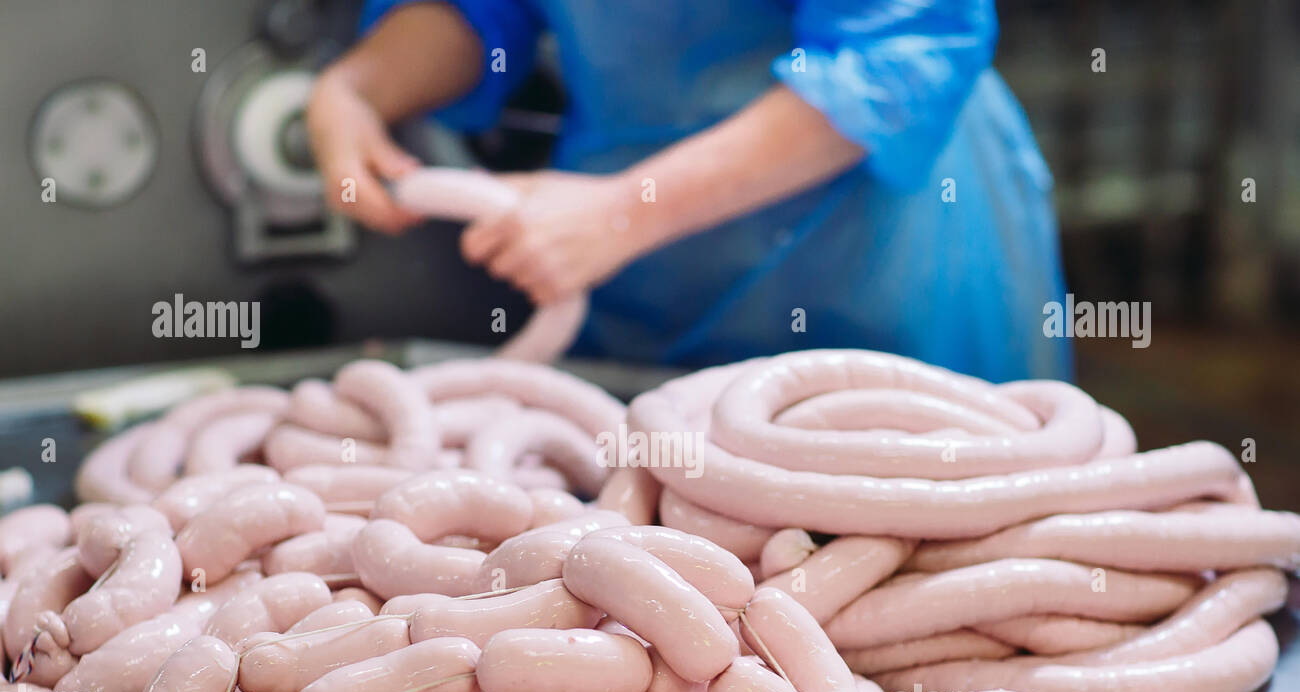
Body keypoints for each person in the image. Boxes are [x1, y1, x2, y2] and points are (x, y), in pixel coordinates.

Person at [307, 0, 1070, 381]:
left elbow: (898, 53)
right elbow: (479, 9)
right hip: (641, 268)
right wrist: (359, 88)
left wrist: (621, 212)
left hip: (877, 245)